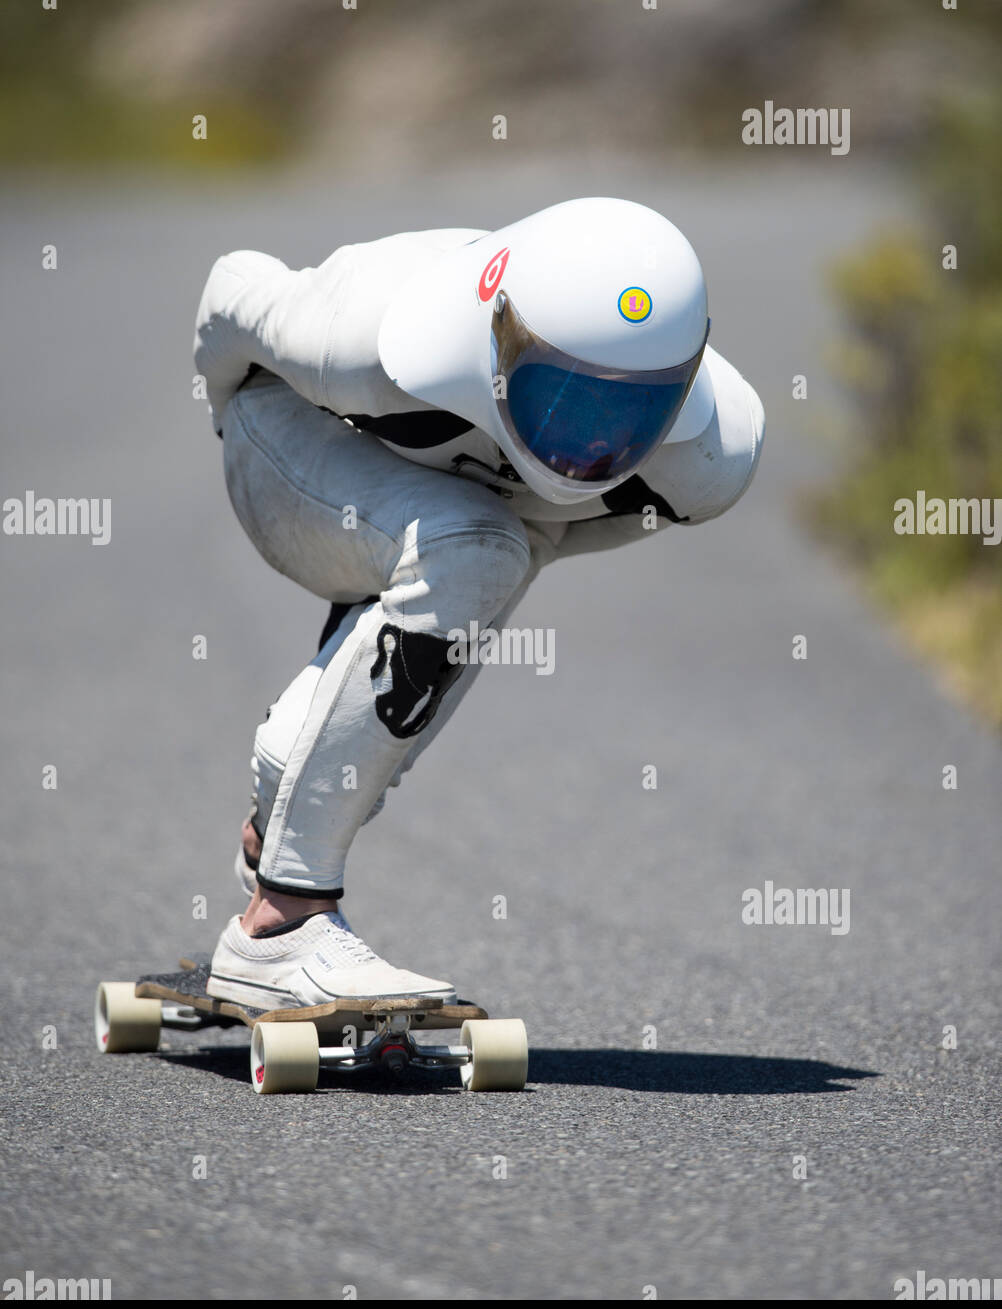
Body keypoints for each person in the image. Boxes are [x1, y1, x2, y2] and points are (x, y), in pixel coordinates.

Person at [193, 196, 764, 1010]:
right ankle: (282, 926)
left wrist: (464, 573)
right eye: (558, 391)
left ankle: (275, 833)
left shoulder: (709, 461)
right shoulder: (365, 327)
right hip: (284, 448)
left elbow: (550, 534)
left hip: (466, 519)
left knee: (480, 559)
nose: (586, 437)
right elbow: (229, 292)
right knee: (477, 546)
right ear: (499, 338)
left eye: (628, 409)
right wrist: (233, 436)